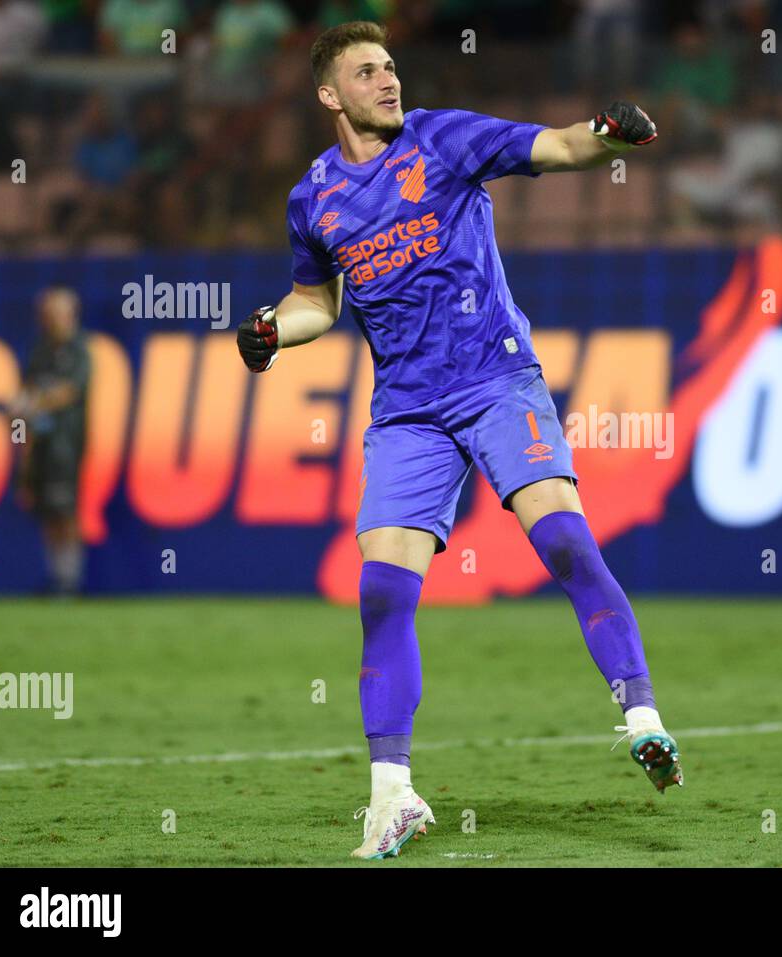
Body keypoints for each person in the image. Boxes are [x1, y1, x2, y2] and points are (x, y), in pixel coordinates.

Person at [233, 20, 679, 860]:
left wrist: (607, 132)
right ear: (331, 95)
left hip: (498, 382)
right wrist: (270, 330)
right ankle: (393, 794)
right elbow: (317, 305)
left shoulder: (444, 138)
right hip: (407, 411)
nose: (388, 81)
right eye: (367, 72)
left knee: (564, 542)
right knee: (380, 593)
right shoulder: (314, 197)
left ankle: (643, 717)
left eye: (392, 67)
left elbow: (554, 147)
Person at [12, 288, 91, 596]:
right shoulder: (40, 350)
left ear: (69, 314)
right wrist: (19, 414)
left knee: (65, 511)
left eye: (55, 312)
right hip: (39, 446)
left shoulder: (79, 349)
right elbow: (26, 393)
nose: (49, 318)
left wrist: (32, 404)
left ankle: (71, 581)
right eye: (46, 312)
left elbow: (69, 391)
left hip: (66, 446)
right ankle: (56, 577)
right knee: (46, 511)